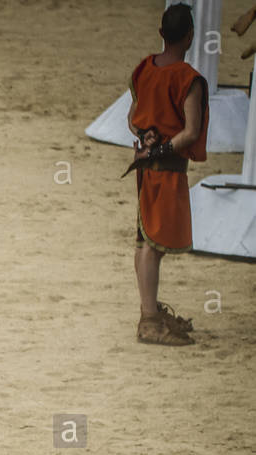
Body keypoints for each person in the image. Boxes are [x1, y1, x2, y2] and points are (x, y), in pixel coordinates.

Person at [125, 2, 209, 346]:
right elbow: (189, 133)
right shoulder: (187, 79)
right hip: (166, 169)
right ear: (189, 36)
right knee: (151, 244)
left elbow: (133, 117)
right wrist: (161, 147)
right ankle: (149, 320)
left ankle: (151, 312)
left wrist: (146, 135)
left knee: (146, 239)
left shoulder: (146, 68)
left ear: (162, 34)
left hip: (146, 167)